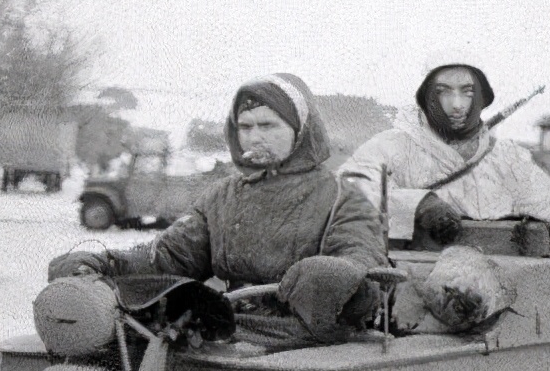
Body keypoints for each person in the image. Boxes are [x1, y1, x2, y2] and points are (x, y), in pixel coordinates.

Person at [50, 73, 387, 343]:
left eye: (268, 125)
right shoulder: (223, 196)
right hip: (230, 331)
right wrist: (106, 264)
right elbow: (169, 256)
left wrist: (336, 274)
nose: (254, 137)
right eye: (245, 126)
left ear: (300, 131)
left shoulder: (343, 197)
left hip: (308, 346)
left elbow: (365, 264)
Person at [338, 57, 550, 272]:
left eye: (467, 92)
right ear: (426, 97)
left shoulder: (505, 157)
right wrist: (419, 204)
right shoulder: (393, 146)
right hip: (407, 286)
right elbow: (347, 191)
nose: (457, 104)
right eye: (444, 92)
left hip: (491, 291)